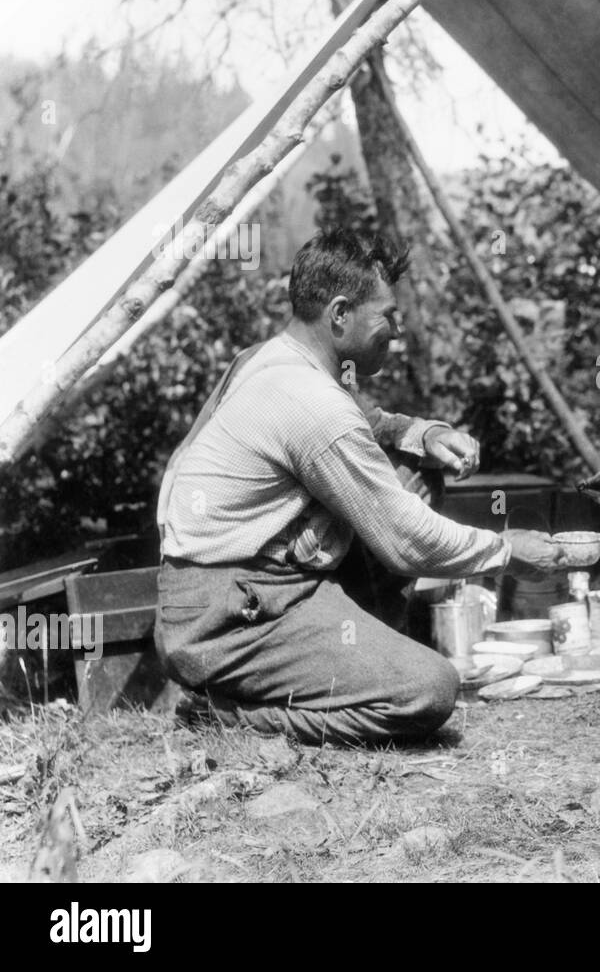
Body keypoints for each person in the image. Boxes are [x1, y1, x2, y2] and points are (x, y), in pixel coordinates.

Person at [154, 229, 562, 744]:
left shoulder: (274, 359)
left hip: (232, 591)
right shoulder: (311, 404)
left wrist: (423, 434)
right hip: (229, 618)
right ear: (341, 314)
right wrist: (505, 550)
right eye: (387, 316)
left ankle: (365, 651)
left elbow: (362, 420)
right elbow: (406, 539)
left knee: (413, 471)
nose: (397, 330)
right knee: (429, 690)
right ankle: (229, 714)